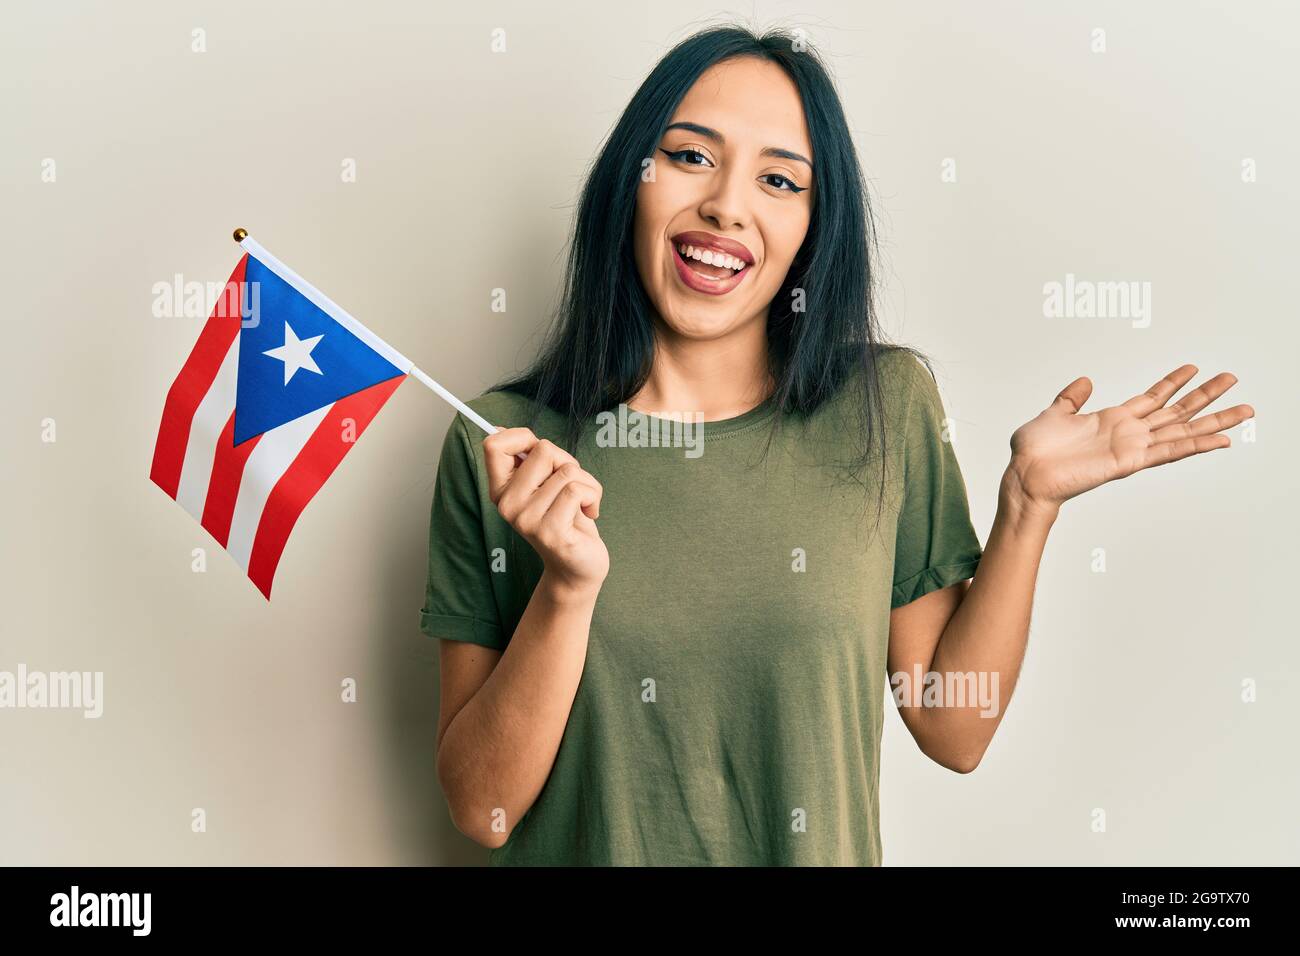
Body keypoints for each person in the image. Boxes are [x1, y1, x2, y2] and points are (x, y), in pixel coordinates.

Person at [420, 26, 1253, 866]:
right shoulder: (506, 444)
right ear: (629, 182)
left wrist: (1028, 506)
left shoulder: (884, 408)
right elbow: (482, 809)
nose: (727, 205)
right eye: (689, 157)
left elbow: (953, 728)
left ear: (815, 229)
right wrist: (566, 590)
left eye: (779, 180)